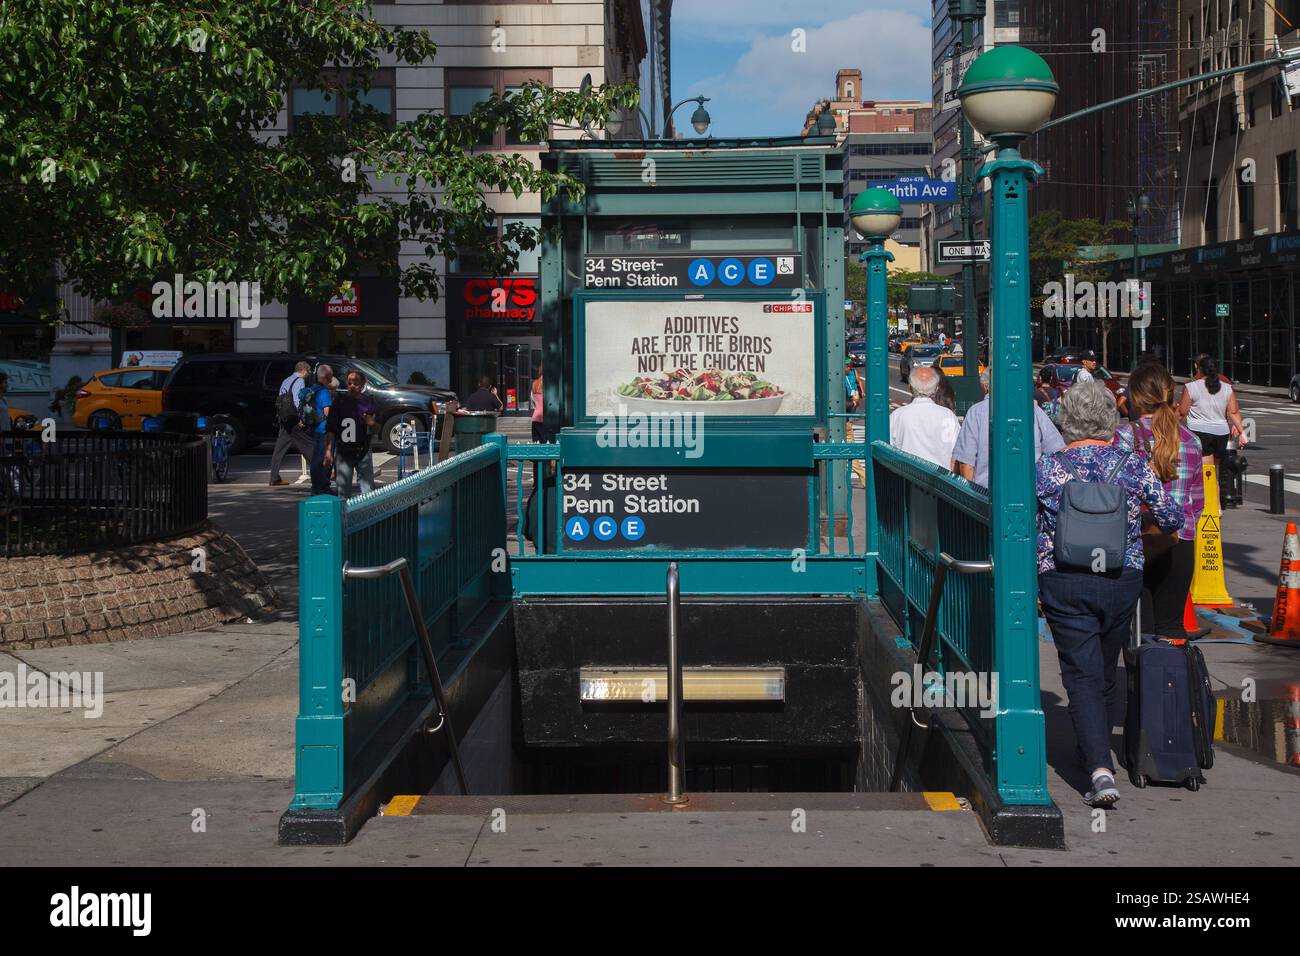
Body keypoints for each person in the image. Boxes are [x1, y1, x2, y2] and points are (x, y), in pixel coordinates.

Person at [1036, 381, 1184, 807]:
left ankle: (1099, 768)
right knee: (1102, 665)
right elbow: (1171, 517)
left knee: (1080, 673)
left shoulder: (1047, 468)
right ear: (1109, 420)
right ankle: (1096, 748)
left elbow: (1021, 521)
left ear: (1065, 421)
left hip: (1063, 579)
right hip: (1121, 580)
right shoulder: (1133, 465)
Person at [1114, 364, 1205, 639]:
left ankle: (1141, 681)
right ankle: (1170, 681)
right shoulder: (1191, 441)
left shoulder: (1125, 437)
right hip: (1179, 544)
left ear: (1136, 398)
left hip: (1136, 543)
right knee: (1172, 630)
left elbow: (1114, 494)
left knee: (1138, 632)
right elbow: (1196, 503)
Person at [951, 368, 1065, 488]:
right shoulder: (1033, 410)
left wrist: (972, 497)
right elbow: (1058, 450)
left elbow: (966, 464)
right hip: (1029, 491)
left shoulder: (976, 412)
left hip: (986, 493)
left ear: (985, 387)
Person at [1178, 354, 1247, 468]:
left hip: (1199, 431)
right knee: (1215, 469)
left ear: (1199, 369)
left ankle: (1208, 485)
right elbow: (1233, 412)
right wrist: (1242, 432)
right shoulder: (1227, 387)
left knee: (1206, 471)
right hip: (1221, 434)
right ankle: (1215, 485)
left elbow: (1182, 412)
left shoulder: (1191, 386)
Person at [889, 367, 959, 469]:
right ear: (936, 389)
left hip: (907, 476)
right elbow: (957, 450)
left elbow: (888, 448)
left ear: (910, 387)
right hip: (941, 479)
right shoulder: (948, 415)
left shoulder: (898, 415)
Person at [323, 369, 378, 498]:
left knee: (368, 491)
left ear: (362, 385)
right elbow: (330, 428)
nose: (352, 386)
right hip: (344, 451)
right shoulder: (338, 402)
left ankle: (368, 516)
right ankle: (344, 517)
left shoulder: (369, 401)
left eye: (356, 383)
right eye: (349, 383)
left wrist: (372, 423)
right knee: (343, 491)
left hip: (363, 450)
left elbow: (377, 428)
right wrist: (329, 450)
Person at [269, 361, 314, 486]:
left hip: (284, 418)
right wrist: (301, 419)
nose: (308, 375)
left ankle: (274, 477)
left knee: (279, 449)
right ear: (304, 370)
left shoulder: (286, 380)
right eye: (308, 372)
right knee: (309, 444)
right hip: (294, 419)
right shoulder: (300, 381)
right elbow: (297, 400)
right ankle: (322, 472)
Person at [308, 364, 334, 494]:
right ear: (327, 377)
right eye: (331, 376)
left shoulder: (312, 388)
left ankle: (315, 486)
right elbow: (328, 413)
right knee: (325, 458)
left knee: (316, 459)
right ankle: (323, 486)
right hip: (324, 430)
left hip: (315, 428)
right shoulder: (324, 392)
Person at [844, 359, 867, 487]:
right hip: (843, 422)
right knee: (851, 451)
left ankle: (864, 478)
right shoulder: (839, 381)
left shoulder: (834, 379)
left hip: (836, 422)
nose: (849, 368)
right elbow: (842, 403)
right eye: (847, 366)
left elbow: (859, 381)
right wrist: (853, 403)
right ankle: (864, 478)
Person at [531, 367, 546, 442]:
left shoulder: (534, 383)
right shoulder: (547, 383)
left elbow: (533, 402)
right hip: (545, 417)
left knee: (536, 444)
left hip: (535, 417)